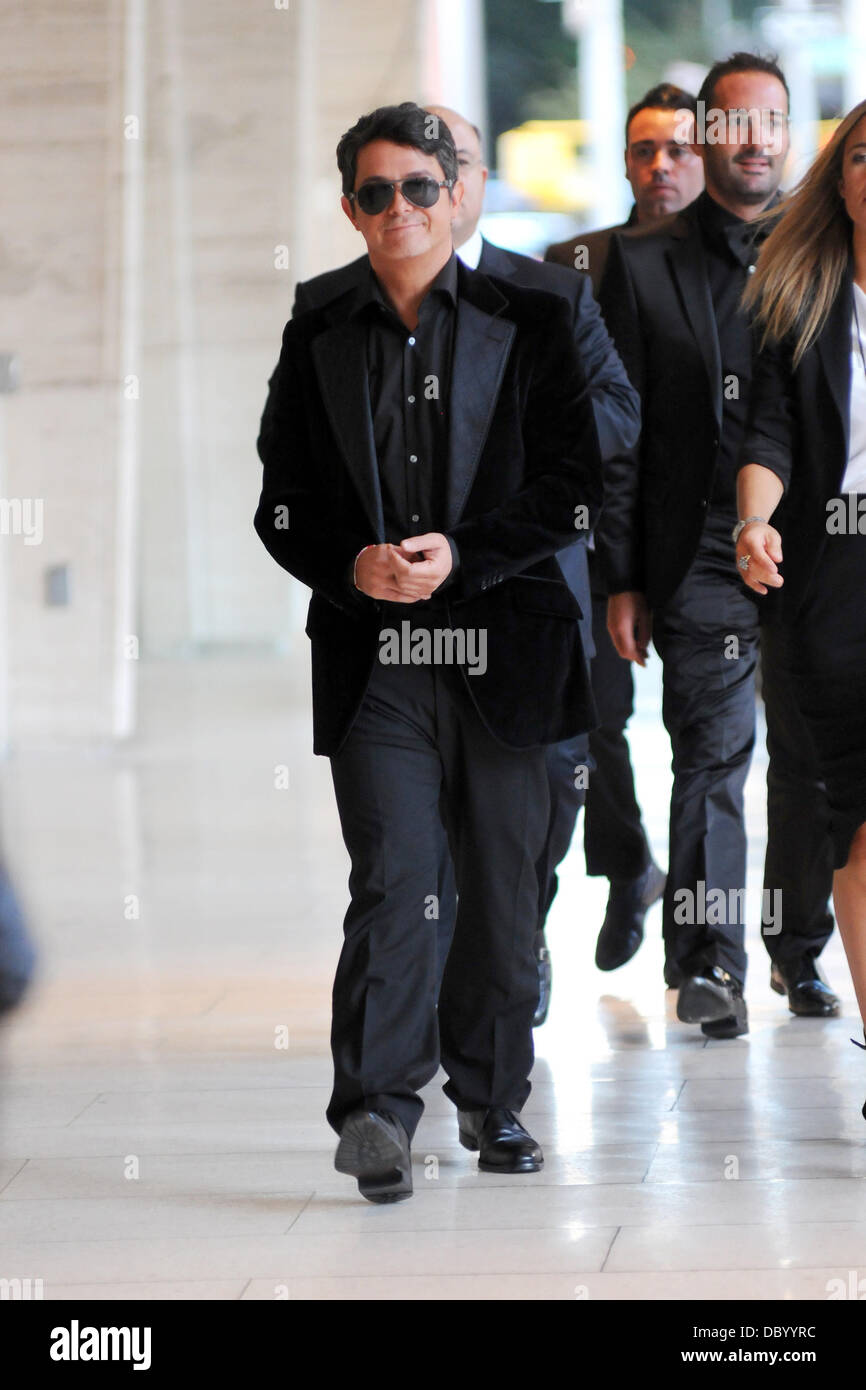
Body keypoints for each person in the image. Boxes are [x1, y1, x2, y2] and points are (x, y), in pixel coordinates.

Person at [254, 103, 603, 1201]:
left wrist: (462, 553)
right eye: (373, 191)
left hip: (509, 641)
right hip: (377, 658)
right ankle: (374, 1110)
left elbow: (580, 481)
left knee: (499, 890)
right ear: (348, 206)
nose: (396, 208)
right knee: (397, 881)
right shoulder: (317, 322)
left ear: (456, 188)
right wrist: (343, 563)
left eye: (417, 185)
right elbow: (278, 503)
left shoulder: (543, 307)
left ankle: (493, 1100)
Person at [598, 52, 838, 1038]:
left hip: (820, 544)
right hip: (696, 544)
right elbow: (615, 436)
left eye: (768, 121)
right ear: (703, 137)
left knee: (811, 757)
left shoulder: (827, 249)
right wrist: (619, 575)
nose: (751, 140)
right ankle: (705, 961)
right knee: (709, 750)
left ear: (788, 135)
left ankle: (796, 948)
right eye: (731, 123)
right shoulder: (640, 266)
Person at [545, 84, 704, 976]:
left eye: (678, 149)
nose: (660, 166)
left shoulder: (737, 264)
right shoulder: (572, 262)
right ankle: (629, 865)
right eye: (645, 149)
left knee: (709, 744)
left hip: (710, 544)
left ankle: (702, 936)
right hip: (595, 545)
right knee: (596, 721)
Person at [737, 97, 866, 1110]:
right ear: (838, 180)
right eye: (859, 158)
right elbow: (767, 435)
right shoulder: (797, 294)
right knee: (856, 823)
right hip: (832, 573)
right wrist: (753, 524)